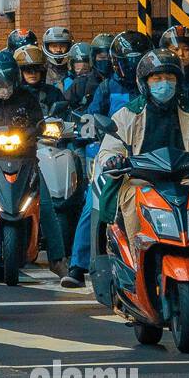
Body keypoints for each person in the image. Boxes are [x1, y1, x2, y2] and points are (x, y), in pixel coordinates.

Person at [93, 49, 189, 265]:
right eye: (157, 78)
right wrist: (113, 159)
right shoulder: (127, 114)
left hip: (184, 178)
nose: (164, 83)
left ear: (178, 81)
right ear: (145, 82)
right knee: (132, 196)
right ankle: (137, 258)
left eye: (169, 78)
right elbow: (109, 148)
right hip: (141, 179)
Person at [0, 52, 69, 277]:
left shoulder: (27, 98)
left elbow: (39, 122)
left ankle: (57, 259)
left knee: (46, 205)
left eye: (8, 81)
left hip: (25, 161)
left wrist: (40, 129)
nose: (4, 87)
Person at [62, 30, 150, 288]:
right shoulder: (105, 87)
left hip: (152, 158)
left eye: (139, 60)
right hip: (114, 156)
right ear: (117, 63)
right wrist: (89, 133)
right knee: (94, 203)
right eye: (128, 60)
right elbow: (89, 120)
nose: (134, 66)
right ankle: (78, 266)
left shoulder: (156, 90)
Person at [15, 45, 67, 114]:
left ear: (42, 72)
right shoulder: (14, 95)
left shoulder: (53, 92)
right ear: (20, 72)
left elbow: (64, 114)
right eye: (28, 70)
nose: (33, 73)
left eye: (37, 69)